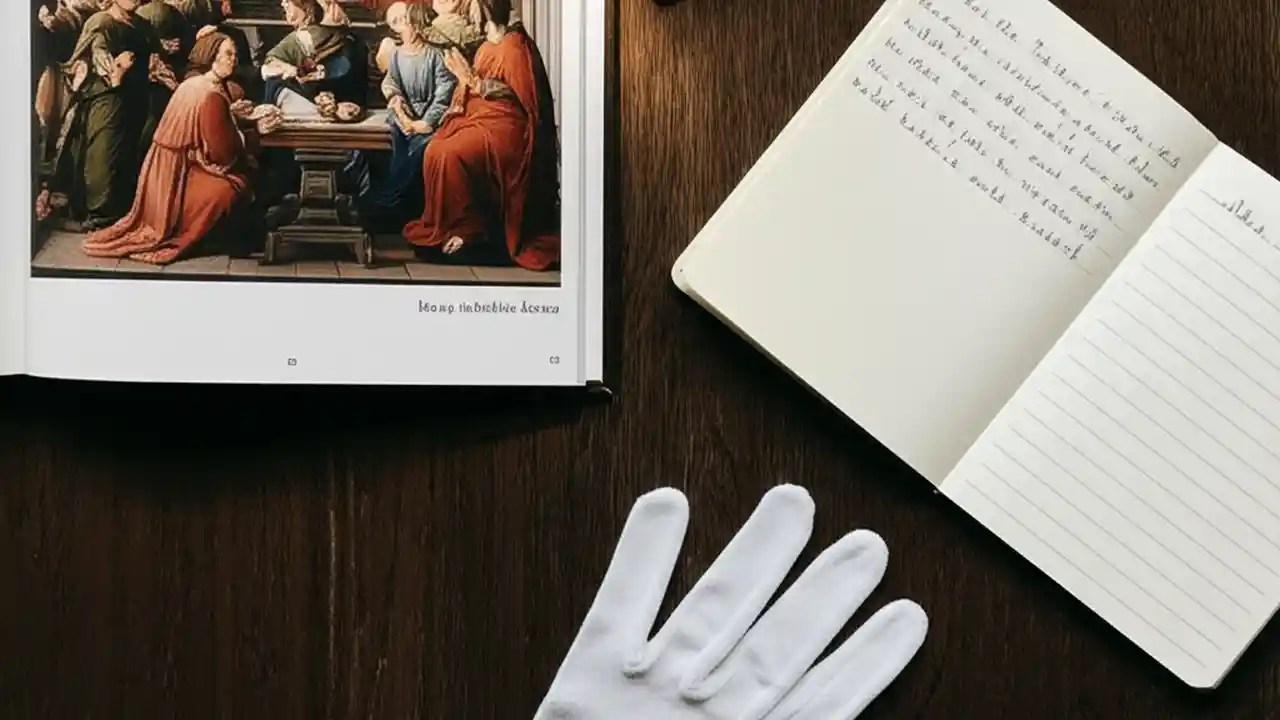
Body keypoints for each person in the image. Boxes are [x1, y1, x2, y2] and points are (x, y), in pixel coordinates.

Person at [81, 33, 276, 264]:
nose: (233, 60)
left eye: (235, 54)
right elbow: (222, 154)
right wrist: (255, 133)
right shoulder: (211, 94)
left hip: (164, 169)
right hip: (179, 175)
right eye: (228, 54)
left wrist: (236, 118)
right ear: (211, 57)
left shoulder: (195, 84)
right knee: (231, 188)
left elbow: (207, 129)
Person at [402, 0, 559, 271]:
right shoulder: (489, 43)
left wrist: (473, 81)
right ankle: (448, 226)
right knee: (436, 148)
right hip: (481, 118)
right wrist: (464, 81)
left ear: (488, 6)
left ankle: (469, 232)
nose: (469, 10)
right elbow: (471, 84)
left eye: (474, 4)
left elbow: (522, 98)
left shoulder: (515, 46)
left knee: (453, 154)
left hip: (509, 127)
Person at [47, 0, 175, 231]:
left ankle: (121, 212)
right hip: (107, 99)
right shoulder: (102, 23)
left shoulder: (142, 24)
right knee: (104, 156)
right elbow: (99, 64)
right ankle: (100, 214)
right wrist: (118, 68)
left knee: (128, 156)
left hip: (136, 99)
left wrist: (162, 56)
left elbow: (155, 54)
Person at [354, 3, 455, 231]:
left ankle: (387, 201)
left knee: (418, 151)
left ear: (417, 27)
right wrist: (398, 103)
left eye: (405, 23)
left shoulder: (436, 55)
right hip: (403, 116)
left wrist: (425, 122)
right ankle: (388, 205)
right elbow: (391, 82)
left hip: (430, 119)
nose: (400, 29)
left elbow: (443, 95)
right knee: (398, 146)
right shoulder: (398, 55)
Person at [261, 0, 367, 110]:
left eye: (288, 1)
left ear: (307, 7)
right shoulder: (352, 40)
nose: (283, 4)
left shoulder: (302, 39)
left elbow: (271, 62)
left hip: (319, 104)